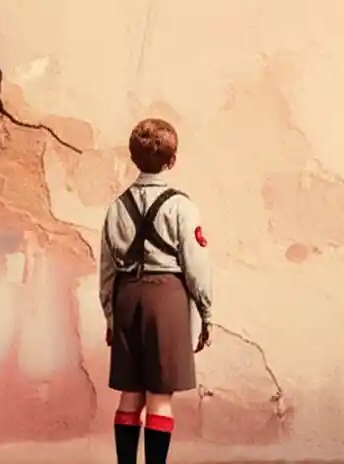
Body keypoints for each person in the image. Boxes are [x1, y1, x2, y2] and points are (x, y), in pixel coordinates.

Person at [99, 118, 213, 464]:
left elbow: (106, 270)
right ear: (172, 160)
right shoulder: (182, 206)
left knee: (130, 394)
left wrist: (110, 315)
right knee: (160, 396)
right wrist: (207, 313)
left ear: (133, 157)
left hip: (127, 295)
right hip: (167, 299)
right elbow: (196, 267)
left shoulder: (116, 207)